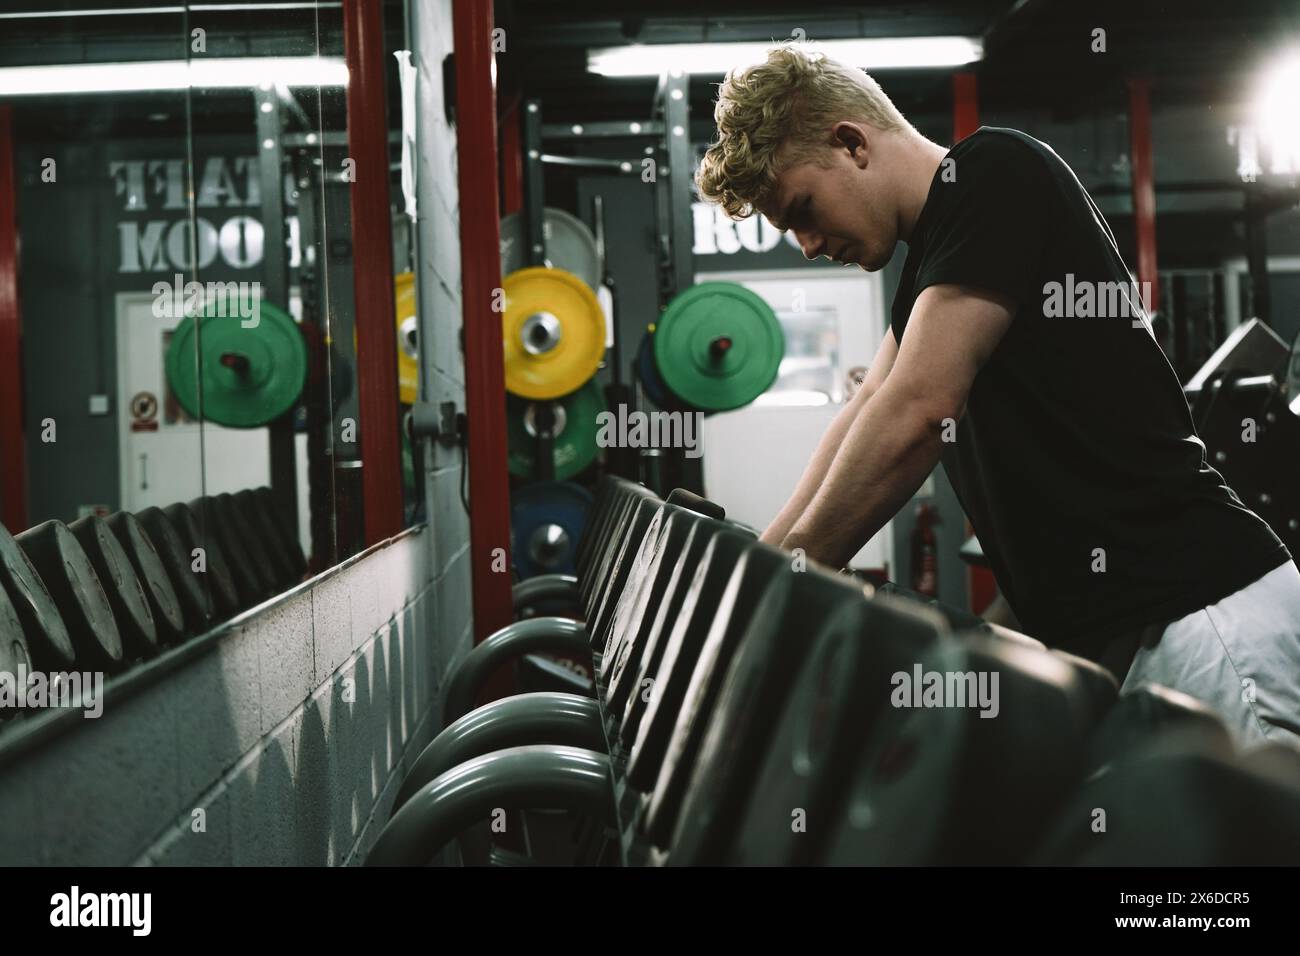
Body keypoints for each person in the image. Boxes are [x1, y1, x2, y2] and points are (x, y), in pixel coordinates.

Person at [694, 43, 1300, 749]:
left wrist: (772, 596)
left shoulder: (994, 174)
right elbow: (864, 412)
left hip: (1209, 623)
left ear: (852, 143)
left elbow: (917, 412)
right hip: (1134, 645)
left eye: (801, 209)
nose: (802, 244)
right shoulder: (931, 264)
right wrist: (756, 573)